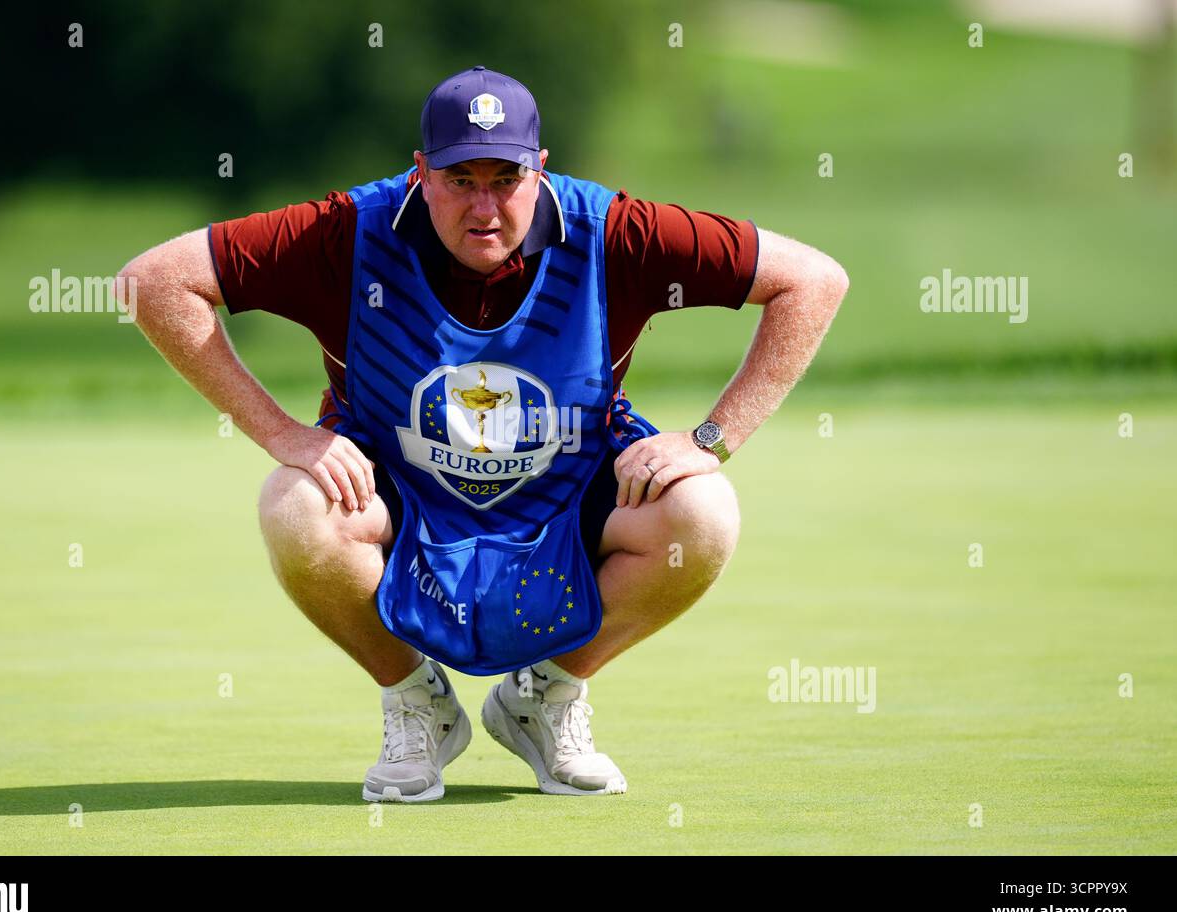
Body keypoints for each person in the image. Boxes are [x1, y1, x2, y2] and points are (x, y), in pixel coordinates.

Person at [117, 65, 849, 803]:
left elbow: (812, 281)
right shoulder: (345, 235)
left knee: (705, 511)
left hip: (571, 498)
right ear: (419, 173)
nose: (486, 206)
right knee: (293, 506)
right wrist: (284, 436)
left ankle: (547, 697)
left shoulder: (615, 233)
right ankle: (416, 702)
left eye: (506, 177)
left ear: (542, 169)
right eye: (460, 179)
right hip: (400, 493)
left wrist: (711, 438)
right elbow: (154, 282)